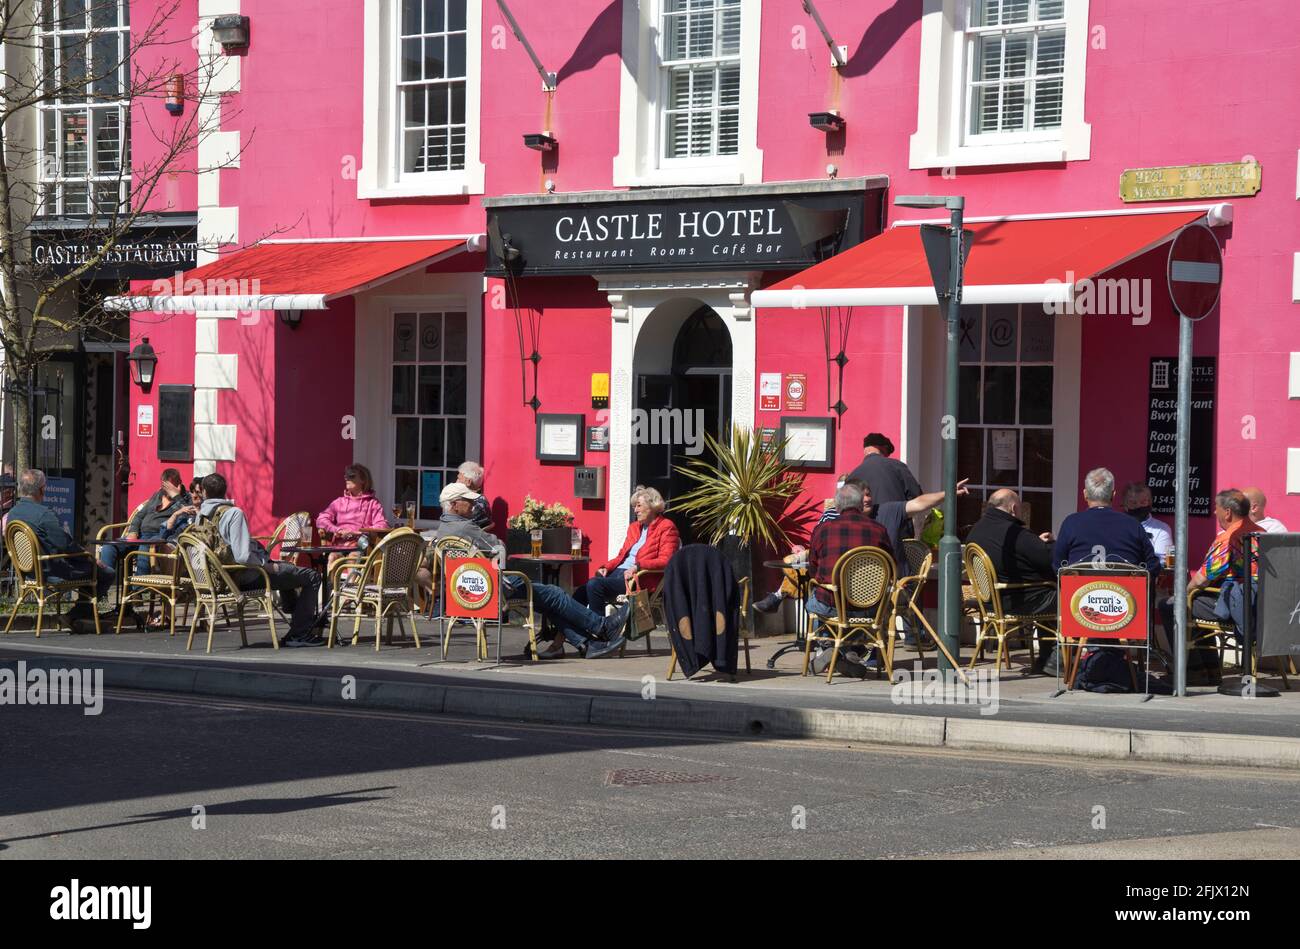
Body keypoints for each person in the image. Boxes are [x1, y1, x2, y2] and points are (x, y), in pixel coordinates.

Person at [425, 482, 629, 659]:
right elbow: (499, 548)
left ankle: (587, 645)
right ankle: (602, 626)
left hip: (465, 594)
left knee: (548, 601)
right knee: (555, 594)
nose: (472, 504)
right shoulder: (465, 529)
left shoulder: (444, 530)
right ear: (453, 505)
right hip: (492, 589)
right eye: (466, 501)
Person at [196, 473, 325, 647]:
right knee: (311, 576)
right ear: (225, 491)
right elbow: (242, 556)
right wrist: (266, 566)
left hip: (217, 579)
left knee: (286, 570)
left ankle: (296, 621)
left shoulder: (201, 516)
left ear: (204, 492)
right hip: (245, 577)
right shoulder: (234, 514)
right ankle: (300, 633)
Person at [1157, 489, 1259, 685]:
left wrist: (1181, 594)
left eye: (1216, 508)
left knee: (1174, 605)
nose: (1214, 512)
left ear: (1227, 512)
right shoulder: (1261, 533)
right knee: (1197, 601)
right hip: (1260, 605)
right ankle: (1210, 669)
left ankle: (1194, 670)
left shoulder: (1228, 538)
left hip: (1238, 607)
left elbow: (1202, 579)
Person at [805, 481, 894, 677]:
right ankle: (850, 651)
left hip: (831, 605)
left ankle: (831, 647)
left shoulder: (823, 529)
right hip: (869, 608)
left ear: (836, 507)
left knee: (813, 599)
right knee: (846, 607)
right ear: (861, 505)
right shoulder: (878, 530)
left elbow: (813, 569)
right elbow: (891, 566)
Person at [8, 468, 113, 633]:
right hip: (51, 572)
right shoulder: (44, 514)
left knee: (90, 569)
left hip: (28, 572)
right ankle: (75, 616)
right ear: (42, 489)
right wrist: (90, 558)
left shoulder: (13, 514)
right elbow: (65, 544)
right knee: (106, 573)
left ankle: (82, 617)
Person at [966, 488, 1059, 674]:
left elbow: (1019, 551)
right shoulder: (1014, 533)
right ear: (1014, 508)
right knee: (1066, 597)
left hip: (991, 602)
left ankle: (1049, 658)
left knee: (1049, 593)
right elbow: (1047, 560)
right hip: (1019, 601)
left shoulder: (975, 531)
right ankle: (1055, 659)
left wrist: (1035, 542)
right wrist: (1049, 544)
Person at [754, 474, 863, 613]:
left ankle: (778, 597)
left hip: (836, 576)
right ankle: (777, 597)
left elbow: (818, 549)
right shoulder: (831, 514)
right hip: (833, 564)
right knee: (794, 560)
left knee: (795, 564)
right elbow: (817, 542)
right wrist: (805, 549)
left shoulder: (863, 518)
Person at [576, 486, 680, 618]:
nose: (635, 510)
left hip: (639, 579)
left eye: (638, 506)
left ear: (652, 506)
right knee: (582, 590)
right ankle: (566, 632)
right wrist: (606, 567)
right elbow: (622, 556)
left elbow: (667, 561)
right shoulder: (634, 527)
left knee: (594, 585)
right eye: (634, 507)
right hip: (620, 573)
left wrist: (638, 566)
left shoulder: (666, 526)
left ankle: (600, 632)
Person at [1054, 468, 1161, 578]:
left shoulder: (1071, 523)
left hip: (1079, 593)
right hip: (1125, 592)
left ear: (1085, 494)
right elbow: (1153, 565)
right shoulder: (1133, 525)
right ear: (1113, 495)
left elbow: (1058, 565)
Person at [98, 468, 187, 577]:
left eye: (170, 486)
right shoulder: (158, 495)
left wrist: (176, 496)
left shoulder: (185, 499)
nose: (167, 489)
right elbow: (139, 515)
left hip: (160, 538)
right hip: (141, 536)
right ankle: (103, 586)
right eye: (165, 486)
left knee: (145, 547)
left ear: (179, 484)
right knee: (109, 547)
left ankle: (138, 591)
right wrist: (133, 531)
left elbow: (188, 515)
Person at [317, 464, 391, 559]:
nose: (347, 478)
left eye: (351, 476)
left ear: (363, 480)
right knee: (332, 557)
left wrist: (357, 533)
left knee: (353, 557)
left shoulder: (373, 503)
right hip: (339, 546)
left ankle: (354, 574)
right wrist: (337, 530)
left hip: (361, 546)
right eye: (346, 475)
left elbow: (382, 525)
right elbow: (321, 519)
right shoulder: (339, 502)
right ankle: (333, 574)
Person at [846, 432, 922, 506]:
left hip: (864, 518)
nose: (887, 456)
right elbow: (916, 495)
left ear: (865, 450)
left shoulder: (852, 476)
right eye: (887, 453)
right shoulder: (897, 466)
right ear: (883, 448)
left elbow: (847, 505)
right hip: (895, 517)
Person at [1121, 482, 1173, 558]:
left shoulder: (1162, 530)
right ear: (1124, 504)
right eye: (1133, 503)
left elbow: (1161, 562)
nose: (1138, 505)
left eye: (1143, 502)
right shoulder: (1115, 525)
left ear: (1150, 503)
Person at [457, 461, 493, 530]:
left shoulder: (472, 503)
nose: (456, 481)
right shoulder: (481, 498)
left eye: (459, 478)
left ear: (468, 482)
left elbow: (462, 529)